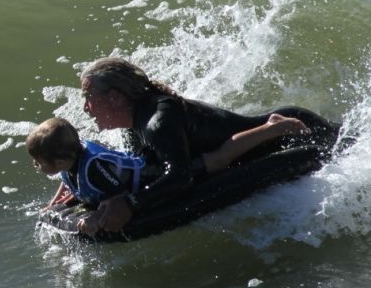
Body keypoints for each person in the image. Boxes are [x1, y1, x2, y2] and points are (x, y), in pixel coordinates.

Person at [78, 57, 340, 233]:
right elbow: (141, 167)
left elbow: (179, 177)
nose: (85, 108)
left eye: (88, 98)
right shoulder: (134, 124)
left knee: (350, 148)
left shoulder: (157, 121)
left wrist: (131, 204)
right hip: (273, 138)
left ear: (114, 97)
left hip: (295, 135)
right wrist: (83, 184)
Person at [27, 114, 310, 235]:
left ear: (63, 158)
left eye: (39, 162)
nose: (36, 167)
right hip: (140, 168)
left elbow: (117, 201)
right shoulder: (71, 163)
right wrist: (58, 204)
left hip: (155, 174)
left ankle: (272, 127)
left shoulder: (95, 170)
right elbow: (69, 185)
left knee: (219, 159)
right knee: (217, 159)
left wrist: (93, 220)